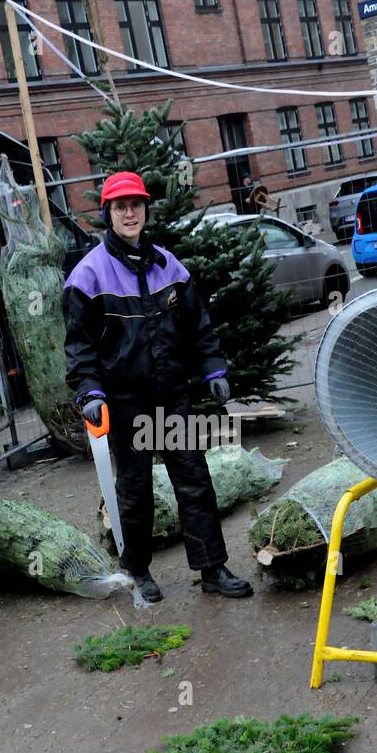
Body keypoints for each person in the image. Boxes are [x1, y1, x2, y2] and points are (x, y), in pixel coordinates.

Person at [62, 170, 253, 603]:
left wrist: (213, 370)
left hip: (171, 397)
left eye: (136, 205)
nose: (129, 213)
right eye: (119, 207)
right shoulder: (87, 276)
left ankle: (212, 569)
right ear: (107, 213)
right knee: (135, 490)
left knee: (194, 479)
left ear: (146, 208)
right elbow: (79, 347)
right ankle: (138, 570)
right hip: (127, 403)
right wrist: (90, 393)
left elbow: (199, 327)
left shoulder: (169, 265)